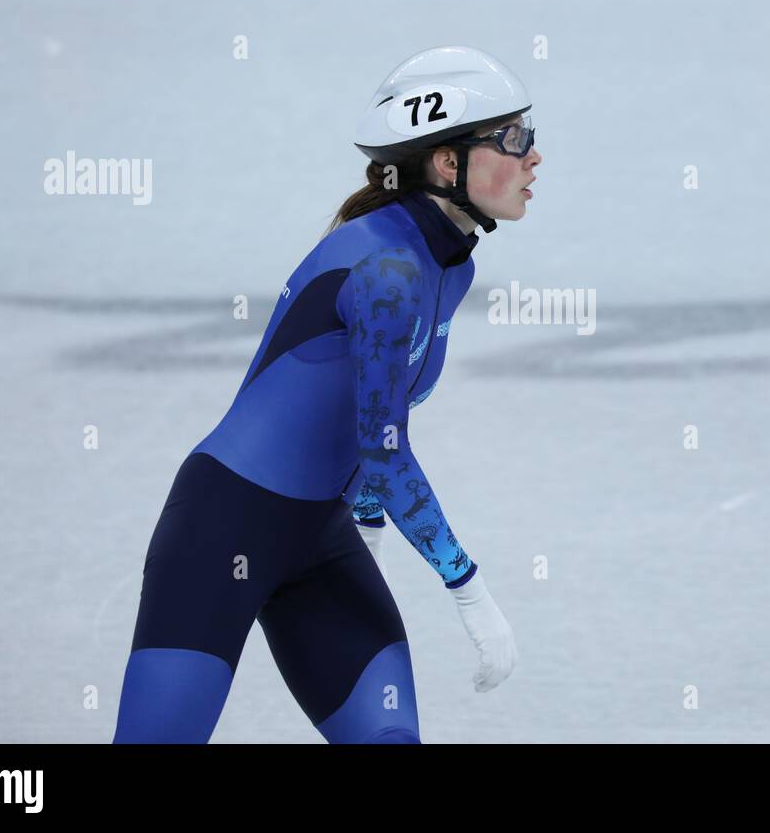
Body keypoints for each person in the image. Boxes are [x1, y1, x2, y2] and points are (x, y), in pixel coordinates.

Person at [112, 46, 542, 743]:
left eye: (531, 134)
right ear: (446, 162)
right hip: (222, 529)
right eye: (512, 138)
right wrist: (466, 586)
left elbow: (370, 414)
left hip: (320, 542)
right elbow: (385, 452)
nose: (533, 157)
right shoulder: (388, 270)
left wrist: (364, 524)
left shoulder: (449, 265)